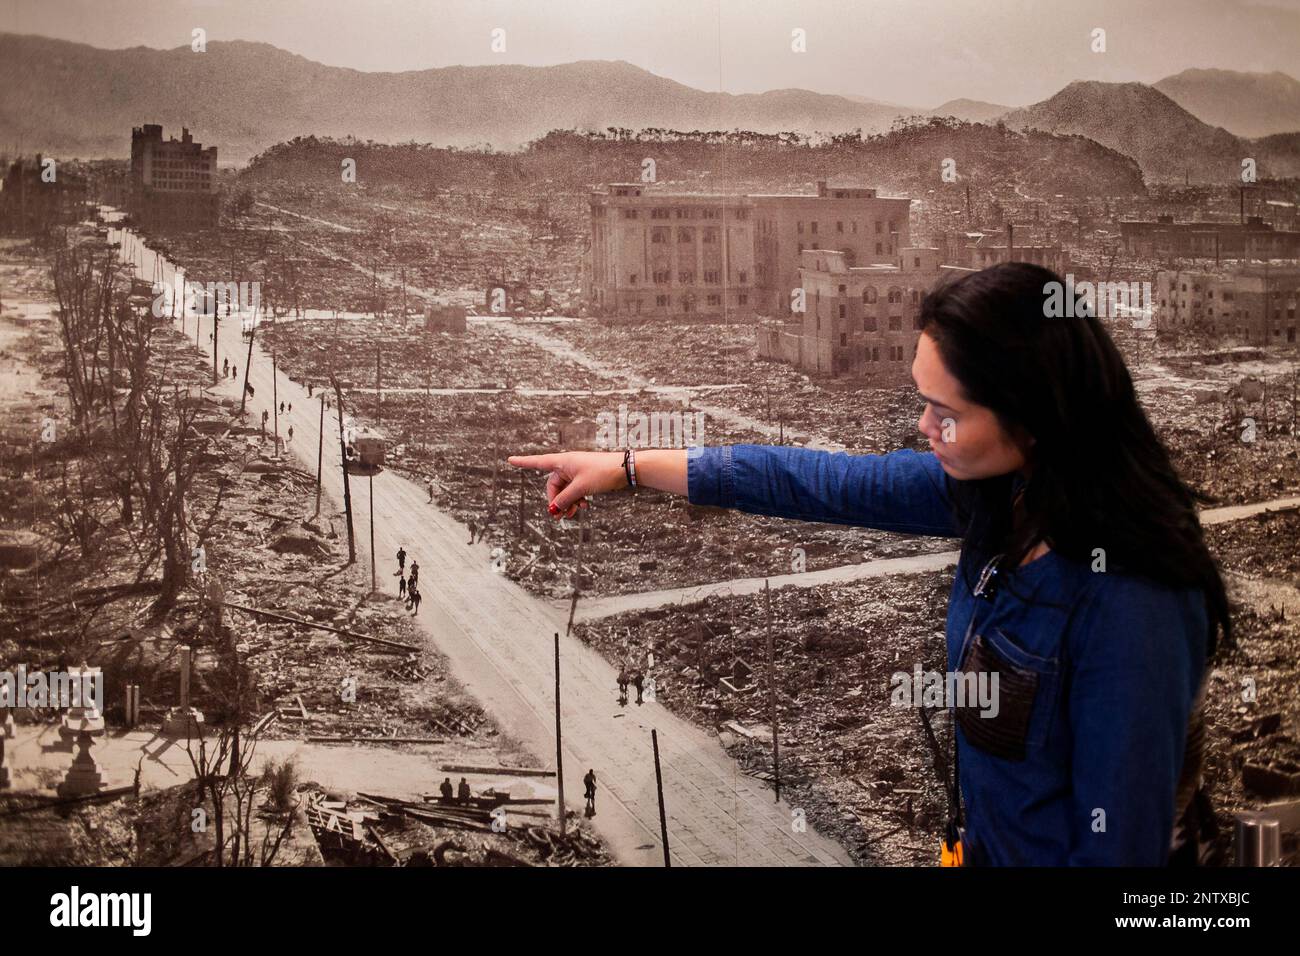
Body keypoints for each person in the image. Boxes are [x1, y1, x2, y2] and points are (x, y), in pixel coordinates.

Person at [507, 262, 1232, 868]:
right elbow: (806, 480)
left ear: (1033, 416)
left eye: (944, 410)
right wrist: (626, 468)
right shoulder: (999, 499)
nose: (923, 427)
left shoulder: (1134, 602)